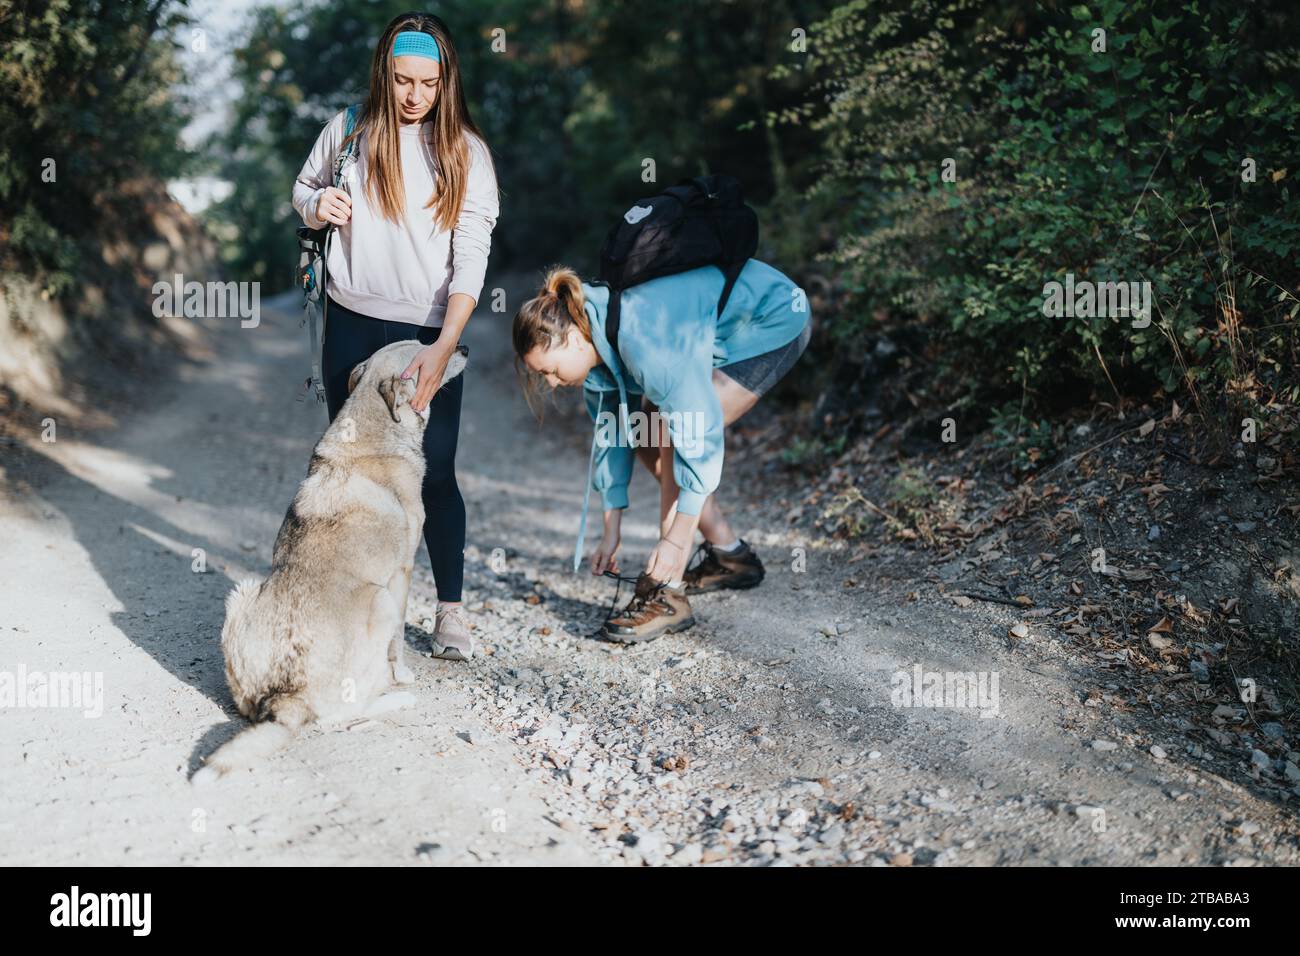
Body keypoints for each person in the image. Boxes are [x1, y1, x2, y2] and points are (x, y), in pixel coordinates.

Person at [292, 11, 499, 660]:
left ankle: (450, 614)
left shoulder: (466, 151)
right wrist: (316, 205)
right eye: (403, 80)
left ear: (446, 81)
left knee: (432, 472)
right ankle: (362, 610)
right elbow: (303, 190)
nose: (415, 95)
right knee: (354, 472)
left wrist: (444, 347)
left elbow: (472, 259)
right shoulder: (348, 130)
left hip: (426, 331)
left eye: (429, 83)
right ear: (385, 72)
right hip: (350, 321)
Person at [512, 260, 811, 643]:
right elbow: (616, 435)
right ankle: (731, 555)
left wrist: (673, 541)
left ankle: (668, 594)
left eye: (550, 370)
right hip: (711, 331)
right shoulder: (596, 346)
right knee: (647, 436)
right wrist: (611, 530)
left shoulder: (643, 344)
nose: (551, 384)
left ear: (571, 340)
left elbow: (697, 439)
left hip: (771, 317)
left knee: (673, 436)